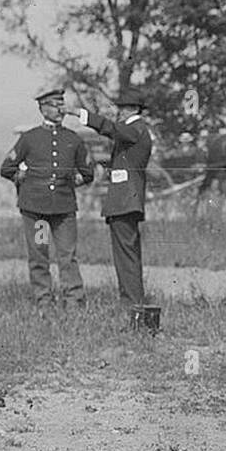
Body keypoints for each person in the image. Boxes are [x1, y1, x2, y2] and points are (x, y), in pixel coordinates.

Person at [0, 89, 94, 309]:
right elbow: (6, 168)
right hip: (36, 211)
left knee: (67, 257)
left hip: (63, 210)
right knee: (39, 256)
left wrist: (70, 183)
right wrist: (20, 179)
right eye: (54, 105)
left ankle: (74, 304)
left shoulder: (73, 139)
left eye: (62, 105)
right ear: (42, 108)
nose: (60, 110)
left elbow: (88, 173)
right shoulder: (29, 138)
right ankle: (44, 302)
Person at [67, 88, 154, 309]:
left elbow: (111, 129)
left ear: (134, 109)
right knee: (126, 257)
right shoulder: (136, 129)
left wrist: (81, 114)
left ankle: (132, 305)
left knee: (126, 258)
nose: (119, 112)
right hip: (124, 203)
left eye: (123, 109)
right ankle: (132, 303)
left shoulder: (135, 127)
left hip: (125, 203)